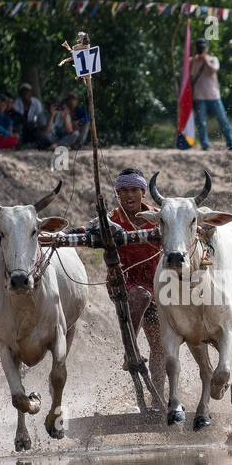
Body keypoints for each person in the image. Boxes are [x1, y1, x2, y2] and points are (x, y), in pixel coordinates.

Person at [86, 169, 166, 401]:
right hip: (123, 286)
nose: (129, 196)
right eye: (123, 191)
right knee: (139, 295)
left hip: (158, 288)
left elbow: (184, 231)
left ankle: (158, 397)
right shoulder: (110, 219)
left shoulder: (159, 217)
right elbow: (85, 231)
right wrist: (58, 237)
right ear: (118, 195)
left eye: (134, 190)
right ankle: (130, 350)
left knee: (159, 348)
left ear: (143, 193)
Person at [191, 38, 232, 150]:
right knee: (201, 123)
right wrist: (194, 58)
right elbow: (189, 75)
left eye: (203, 48)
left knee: (223, 120)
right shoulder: (192, 61)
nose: (201, 50)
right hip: (199, 96)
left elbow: (213, 70)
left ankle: (231, 143)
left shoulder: (213, 59)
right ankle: (205, 145)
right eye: (199, 48)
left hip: (214, 96)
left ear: (207, 49)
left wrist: (204, 59)